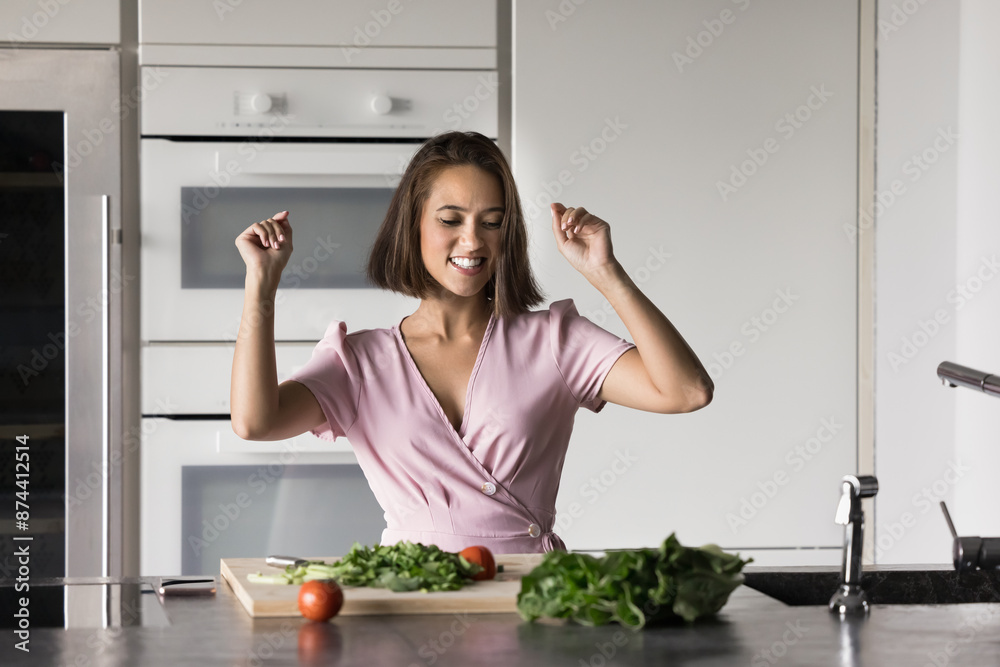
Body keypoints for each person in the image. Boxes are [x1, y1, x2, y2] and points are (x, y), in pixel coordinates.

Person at [231, 131, 713, 554]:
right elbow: (255, 422)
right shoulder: (359, 361)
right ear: (413, 224)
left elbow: (687, 392)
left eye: (492, 221)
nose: (473, 241)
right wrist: (262, 283)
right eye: (450, 219)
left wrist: (607, 275)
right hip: (411, 604)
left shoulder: (555, 341)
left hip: (530, 606)